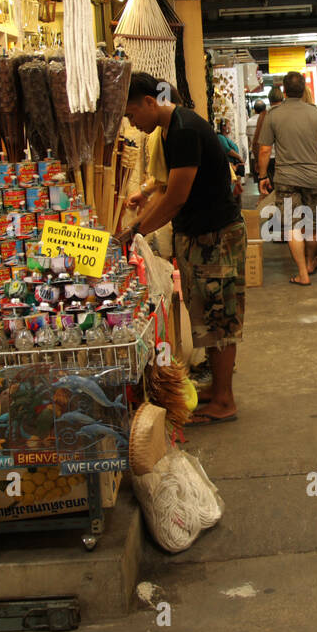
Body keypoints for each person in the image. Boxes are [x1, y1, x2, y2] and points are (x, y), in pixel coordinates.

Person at [123, 72, 245, 426]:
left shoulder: (184, 129)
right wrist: (139, 223)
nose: (132, 123)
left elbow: (176, 197)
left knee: (220, 321)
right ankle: (218, 389)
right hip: (199, 236)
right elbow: (166, 190)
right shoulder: (169, 129)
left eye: (132, 114)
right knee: (206, 317)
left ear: (150, 101)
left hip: (216, 238)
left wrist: (136, 231)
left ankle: (224, 400)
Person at [256, 71, 317, 286]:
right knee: (313, 224)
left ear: (284, 91)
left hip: (286, 180)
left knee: (292, 226)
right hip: (313, 178)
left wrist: (262, 176)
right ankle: (311, 262)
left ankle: (302, 273)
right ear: (304, 89)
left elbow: (265, 150)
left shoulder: (273, 115)